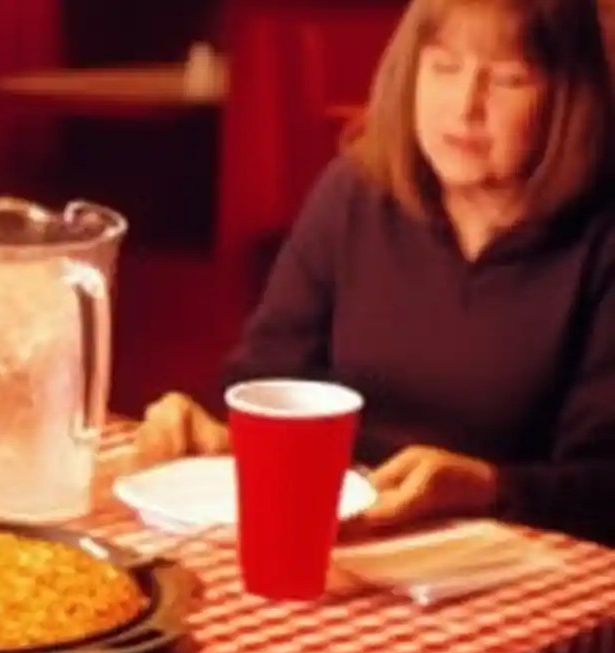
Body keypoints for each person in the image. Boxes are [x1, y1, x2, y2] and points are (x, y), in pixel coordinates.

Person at [136, 0, 615, 546]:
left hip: (518, 559)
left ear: (568, 99)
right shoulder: (354, 193)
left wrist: (488, 486)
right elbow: (264, 377)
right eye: (443, 68)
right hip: (346, 537)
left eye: (508, 80)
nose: (465, 106)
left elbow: (604, 485)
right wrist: (202, 424)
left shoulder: (601, 239)